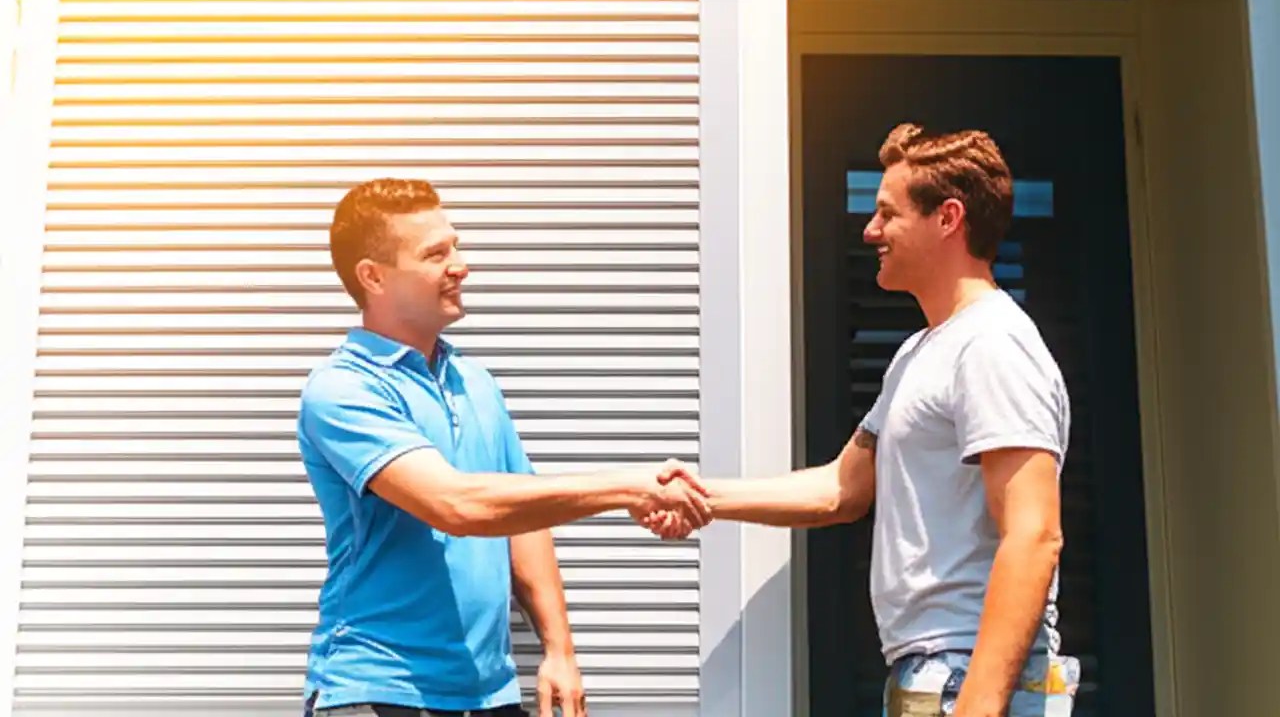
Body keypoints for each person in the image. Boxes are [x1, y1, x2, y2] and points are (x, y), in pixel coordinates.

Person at [648, 124, 1079, 716]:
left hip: (967, 675)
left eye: (887, 214)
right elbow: (841, 488)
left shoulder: (993, 346)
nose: (870, 230)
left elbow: (1034, 535)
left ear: (948, 218)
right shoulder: (920, 354)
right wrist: (701, 497)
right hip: (931, 672)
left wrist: (978, 706)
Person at [297, 178, 709, 717]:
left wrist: (560, 649)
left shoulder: (474, 382)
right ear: (373, 276)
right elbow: (456, 505)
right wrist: (629, 488)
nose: (461, 266)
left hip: (489, 694)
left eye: (456, 247)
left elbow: (525, 518)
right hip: (379, 689)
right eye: (435, 254)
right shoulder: (343, 389)